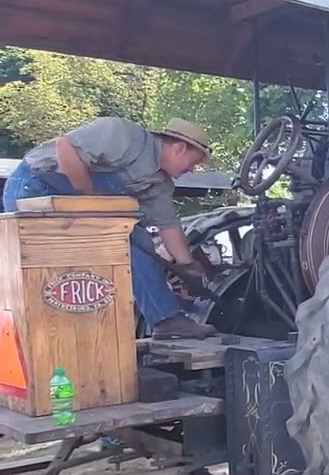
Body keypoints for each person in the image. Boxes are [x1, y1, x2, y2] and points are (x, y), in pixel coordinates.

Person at [2, 117, 217, 340]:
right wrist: (89, 196)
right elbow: (65, 147)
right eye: (193, 162)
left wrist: (188, 267)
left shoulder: (159, 184)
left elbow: (168, 227)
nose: (191, 170)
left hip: (81, 206)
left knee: (138, 242)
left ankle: (165, 320)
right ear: (180, 148)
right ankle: (37, 334)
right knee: (47, 268)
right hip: (35, 189)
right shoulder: (123, 135)